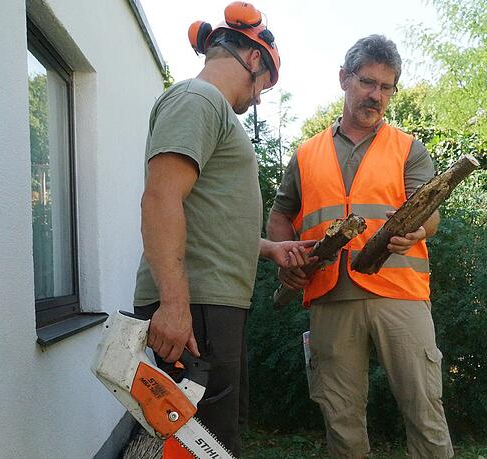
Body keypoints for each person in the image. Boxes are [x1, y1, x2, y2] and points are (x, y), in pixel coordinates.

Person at [132, 3, 314, 456]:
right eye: (264, 85)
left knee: (215, 438)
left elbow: (209, 217)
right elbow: (160, 199)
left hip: (209, 307)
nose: (259, 98)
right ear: (253, 58)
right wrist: (175, 305)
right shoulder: (199, 99)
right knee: (201, 445)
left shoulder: (207, 106)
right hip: (196, 308)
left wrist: (269, 248)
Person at [267, 35, 454, 459]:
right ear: (343, 79)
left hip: (399, 295)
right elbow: (280, 214)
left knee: (424, 410)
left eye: (386, 87)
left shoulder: (408, 149)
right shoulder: (306, 154)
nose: (376, 95)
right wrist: (285, 255)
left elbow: (430, 213)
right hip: (330, 297)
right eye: (368, 82)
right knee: (341, 419)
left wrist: (418, 231)